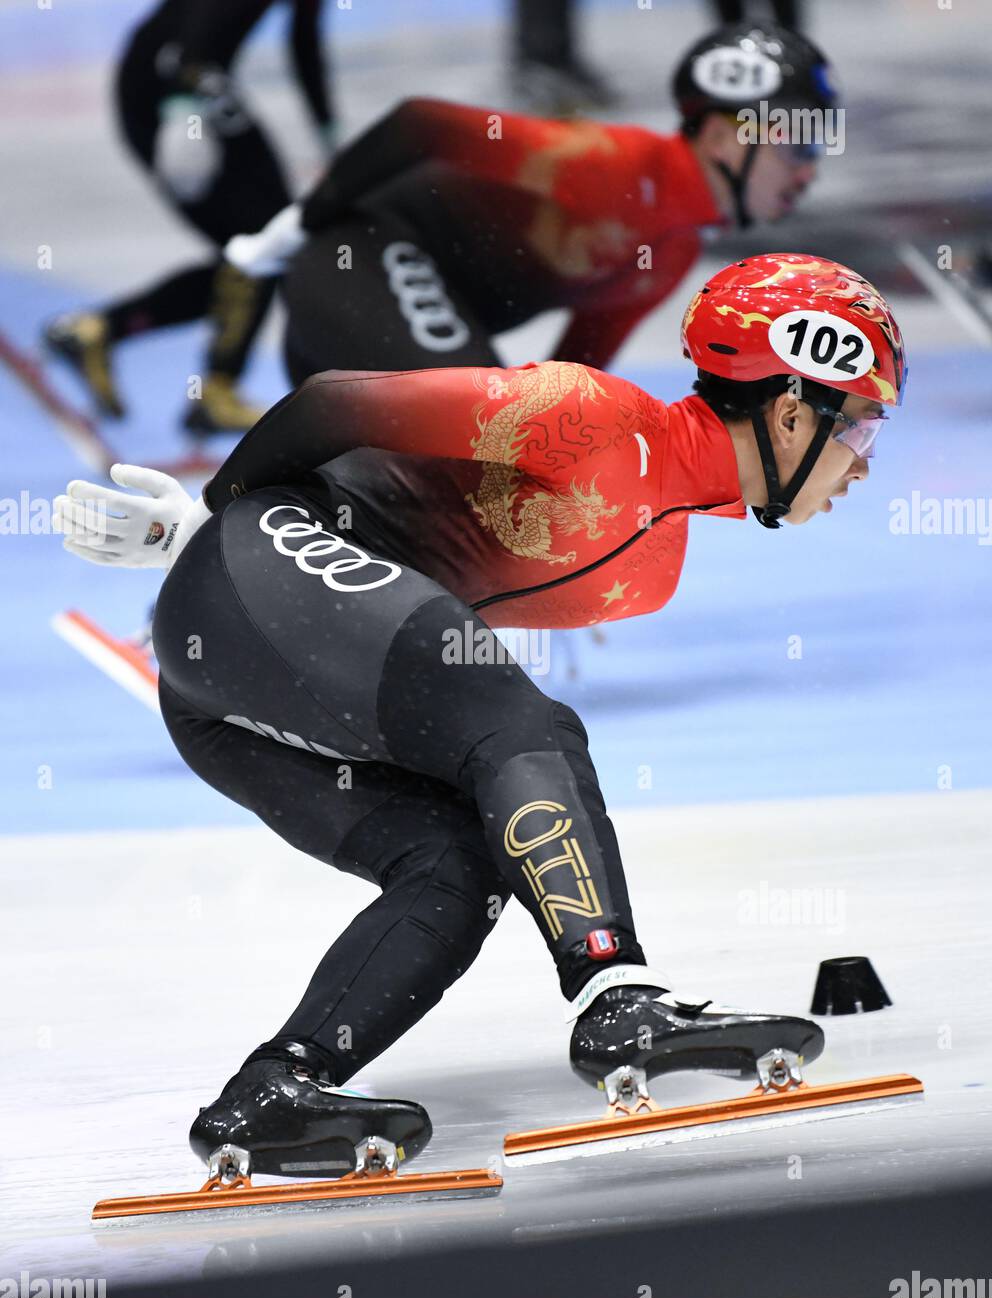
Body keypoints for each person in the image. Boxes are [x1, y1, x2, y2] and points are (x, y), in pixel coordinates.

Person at [54, 253, 906, 1177]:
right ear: (790, 411)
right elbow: (336, 401)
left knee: (461, 860)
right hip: (260, 562)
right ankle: (619, 1000)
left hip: (219, 708)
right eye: (863, 428)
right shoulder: (594, 416)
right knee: (524, 721)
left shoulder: (650, 572)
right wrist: (206, 531)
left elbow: (416, 652)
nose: (864, 466)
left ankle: (274, 1091)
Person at [225, 24, 838, 386]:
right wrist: (300, 222)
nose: (810, 169)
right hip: (356, 259)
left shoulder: (673, 252)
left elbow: (568, 384)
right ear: (722, 137)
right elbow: (419, 124)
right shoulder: (609, 160)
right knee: (481, 440)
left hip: (378, 323)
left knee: (494, 457)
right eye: (798, 142)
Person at [43, 0, 333, 436]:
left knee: (256, 247)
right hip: (171, 82)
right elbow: (203, 20)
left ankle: (98, 329)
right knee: (264, 235)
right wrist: (182, 110)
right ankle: (216, 391)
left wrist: (330, 133)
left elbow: (303, 37)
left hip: (188, 77)